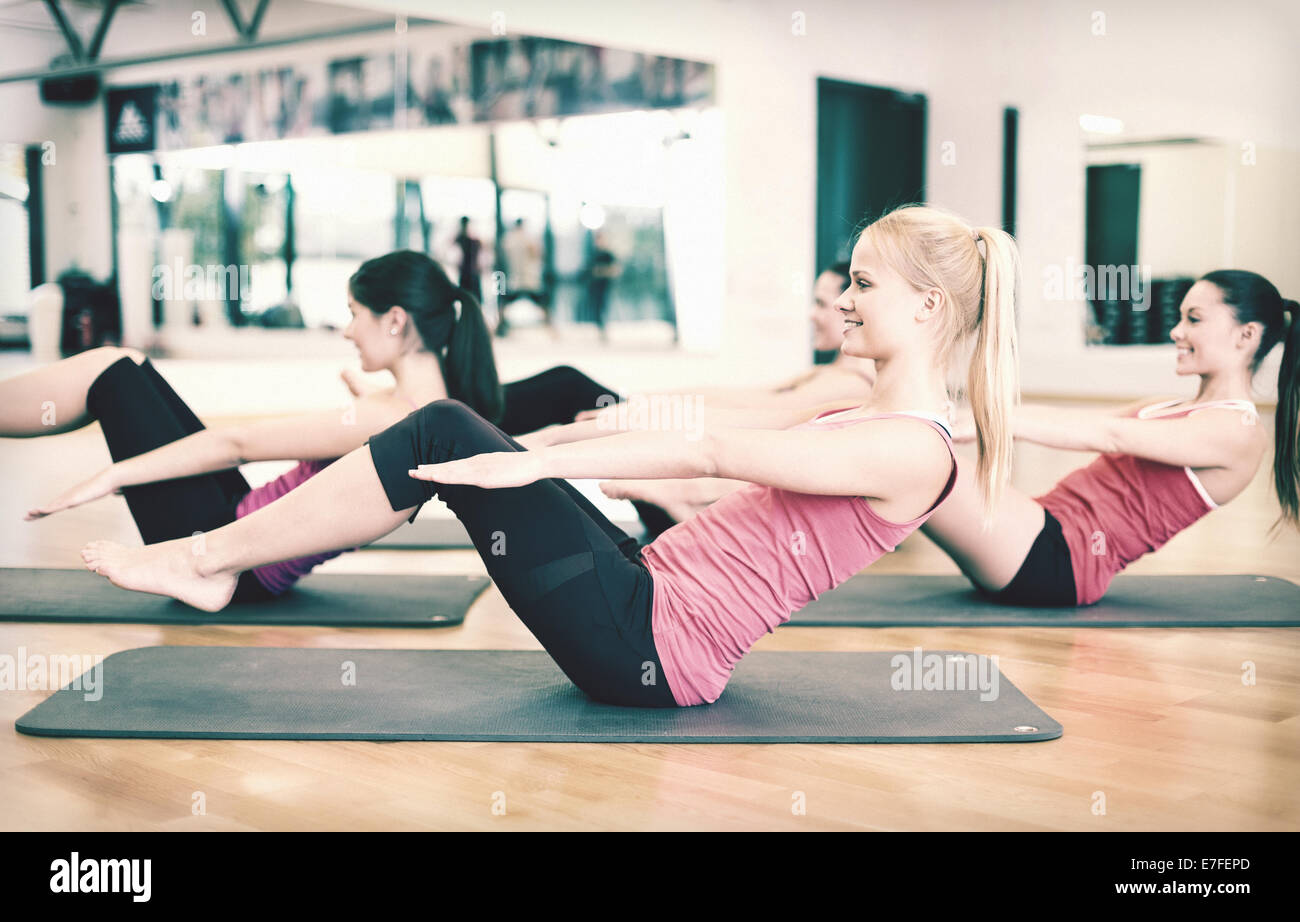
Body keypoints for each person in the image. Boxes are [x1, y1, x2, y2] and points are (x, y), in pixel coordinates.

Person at [80, 204, 1018, 708]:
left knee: (443, 427)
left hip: (651, 643)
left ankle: (204, 558)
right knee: (454, 434)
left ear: (929, 306)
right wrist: (560, 441)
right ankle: (212, 558)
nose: (844, 300)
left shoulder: (910, 447)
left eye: (862, 283)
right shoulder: (881, 418)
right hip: (642, 591)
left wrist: (535, 467)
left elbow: (720, 447)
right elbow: (717, 471)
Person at [8, 250, 501, 602]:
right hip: (248, 544)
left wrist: (112, 475)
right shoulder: (430, 410)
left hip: (228, 552)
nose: (348, 330)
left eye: (354, 314)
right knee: (133, 367)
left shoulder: (386, 415)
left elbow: (236, 443)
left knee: (112, 374)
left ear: (395, 320)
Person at [920, 269, 1298, 606]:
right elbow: (1078, 419)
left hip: (1059, 561)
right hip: (1037, 528)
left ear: (1246, 335)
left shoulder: (1237, 432)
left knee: (917, 457)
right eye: (1181, 317)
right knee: (910, 448)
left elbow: (1109, 435)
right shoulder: (1167, 406)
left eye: (1194, 319)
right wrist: (975, 418)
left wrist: (989, 424)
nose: (1176, 331)